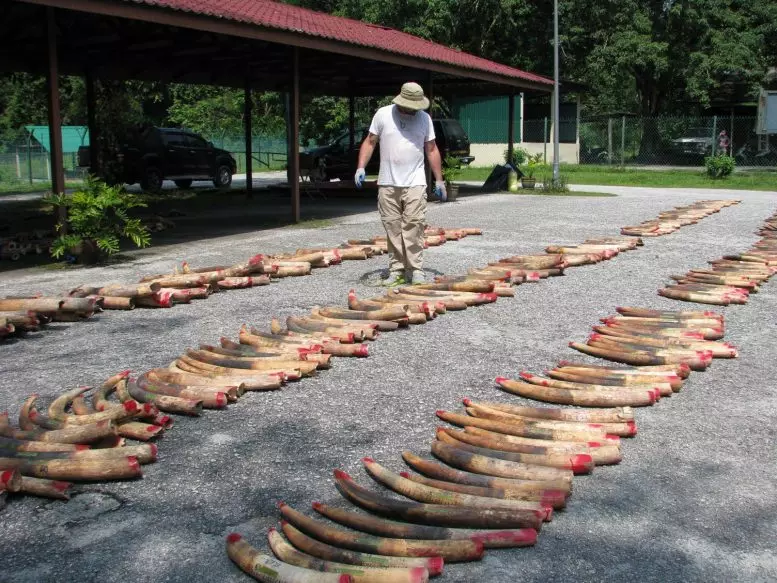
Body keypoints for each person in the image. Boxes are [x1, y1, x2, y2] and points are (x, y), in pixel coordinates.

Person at [354, 82, 446, 286]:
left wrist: (439, 180)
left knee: (414, 225)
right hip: (387, 181)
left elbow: (431, 149)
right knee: (393, 226)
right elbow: (370, 142)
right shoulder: (383, 115)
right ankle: (397, 269)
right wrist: (361, 167)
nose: (413, 110)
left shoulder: (425, 119)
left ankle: (416, 269)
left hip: (415, 181)